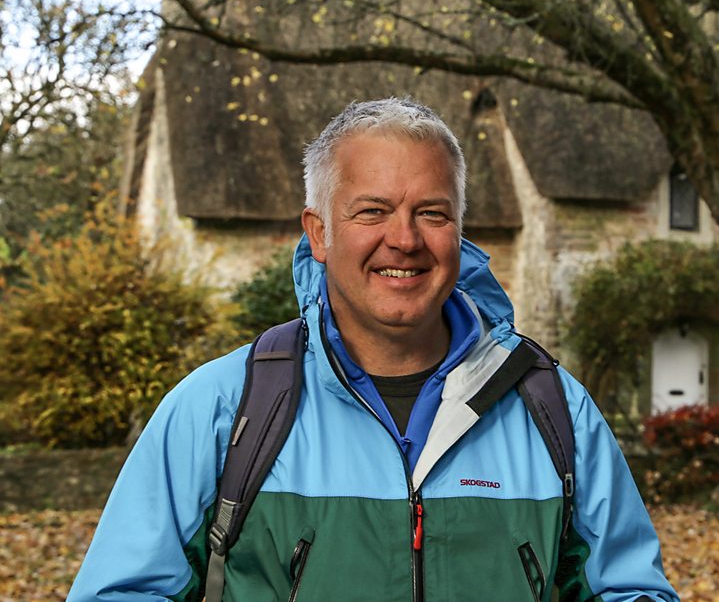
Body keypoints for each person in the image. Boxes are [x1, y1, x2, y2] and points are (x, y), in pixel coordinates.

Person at [68, 97, 678, 601]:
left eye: (431, 213)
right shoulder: (223, 408)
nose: (404, 239)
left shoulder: (554, 407)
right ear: (319, 233)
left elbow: (631, 589)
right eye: (372, 211)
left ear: (459, 231)